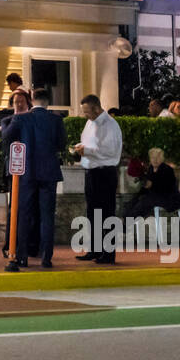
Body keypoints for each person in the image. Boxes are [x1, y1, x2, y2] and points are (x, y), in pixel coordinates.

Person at [2, 88, 66, 267]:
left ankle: (22, 255)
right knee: (47, 215)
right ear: (48, 101)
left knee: (25, 214)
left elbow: (6, 138)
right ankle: (46, 257)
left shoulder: (22, 119)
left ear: (32, 99)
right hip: (49, 172)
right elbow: (61, 145)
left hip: (27, 172)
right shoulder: (56, 120)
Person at [72, 94, 123, 264]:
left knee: (106, 213)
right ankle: (94, 249)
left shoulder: (110, 125)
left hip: (105, 173)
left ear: (96, 108)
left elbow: (110, 151)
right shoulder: (89, 123)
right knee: (92, 213)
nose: (85, 115)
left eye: (87, 111)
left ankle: (108, 254)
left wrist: (86, 151)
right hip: (91, 172)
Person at [0, 89, 37, 259]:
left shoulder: (34, 120)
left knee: (32, 208)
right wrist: (18, 117)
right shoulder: (8, 120)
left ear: (29, 103)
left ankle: (30, 244)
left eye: (22, 101)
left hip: (32, 168)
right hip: (14, 170)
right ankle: (11, 244)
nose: (19, 104)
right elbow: (6, 139)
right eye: (16, 102)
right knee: (13, 208)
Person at [124, 147, 180, 217]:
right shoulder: (151, 169)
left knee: (146, 201)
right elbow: (149, 186)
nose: (155, 160)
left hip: (171, 199)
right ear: (150, 159)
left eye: (157, 158)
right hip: (157, 197)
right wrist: (141, 191)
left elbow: (166, 188)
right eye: (153, 158)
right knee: (134, 200)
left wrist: (152, 185)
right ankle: (126, 221)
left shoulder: (167, 169)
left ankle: (127, 223)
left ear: (162, 159)